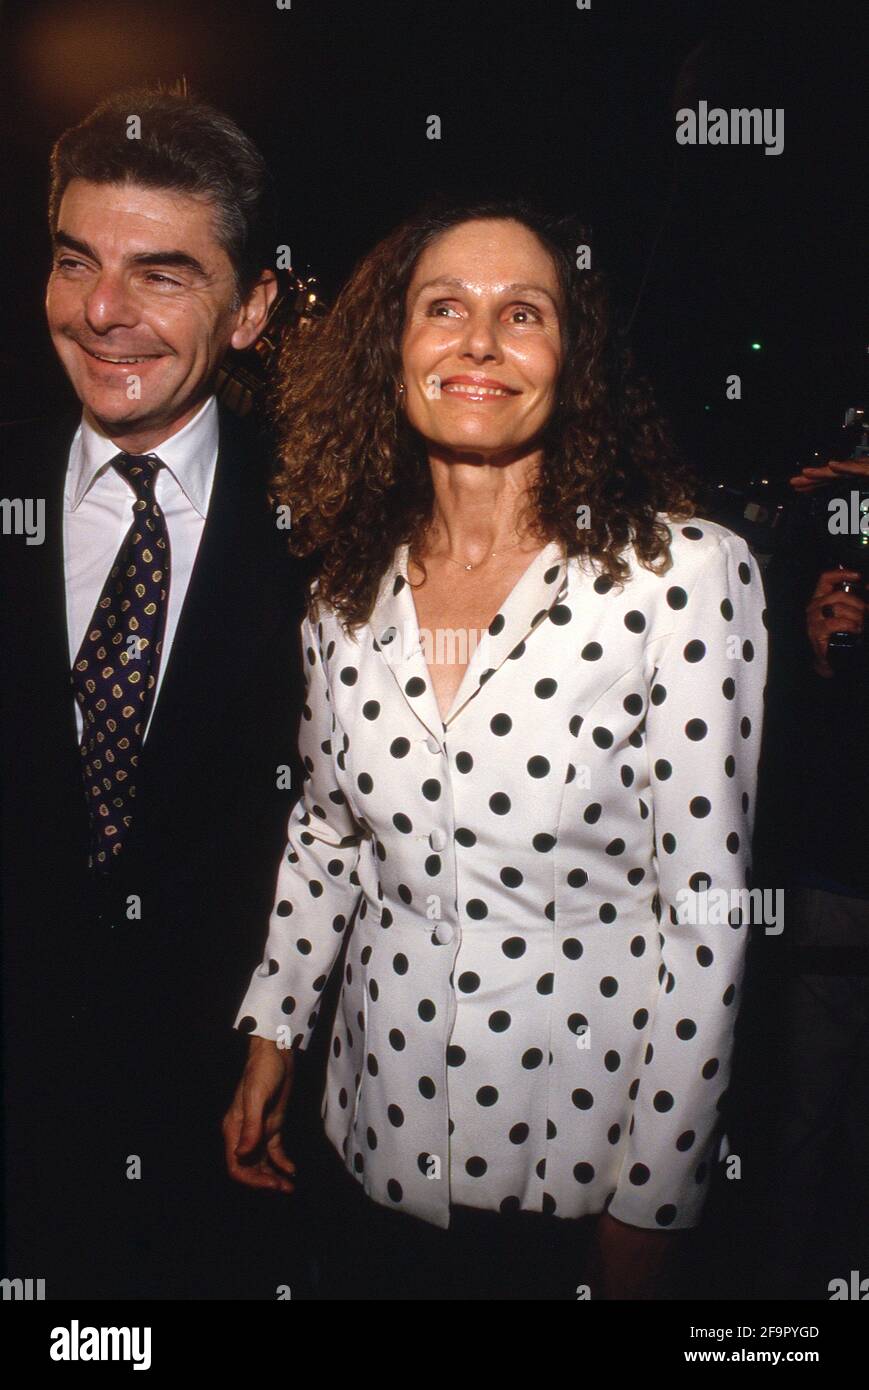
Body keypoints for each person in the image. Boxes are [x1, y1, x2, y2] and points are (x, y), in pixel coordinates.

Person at [223, 198, 768, 1300]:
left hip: (568, 1181)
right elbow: (326, 833)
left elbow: (704, 917)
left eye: (522, 313)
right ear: (394, 351)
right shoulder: (340, 588)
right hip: (365, 1143)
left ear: (572, 363)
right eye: (443, 309)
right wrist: (273, 1034)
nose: (478, 341)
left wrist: (652, 1203)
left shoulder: (679, 579)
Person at [0, 87, 309, 1299]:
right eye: (77, 261)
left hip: (230, 1128)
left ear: (252, 310)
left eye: (163, 275)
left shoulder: (326, 533)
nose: (102, 313)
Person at [749, 448, 869, 1298]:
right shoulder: (826, 517)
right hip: (835, 882)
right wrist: (823, 658)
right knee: (805, 1122)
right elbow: (771, 728)